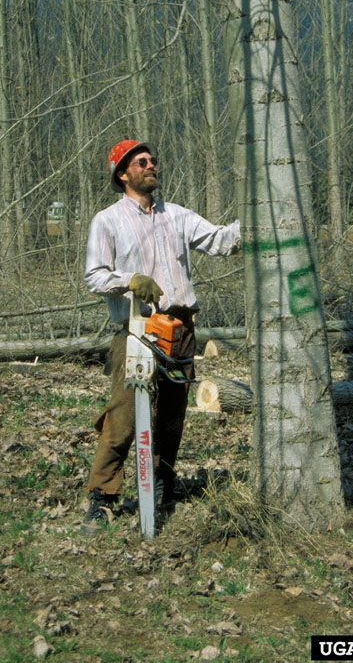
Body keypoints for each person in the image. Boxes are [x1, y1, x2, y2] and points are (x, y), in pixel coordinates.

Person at [82, 139, 240, 533]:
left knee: (172, 416)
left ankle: (162, 483)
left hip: (180, 329)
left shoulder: (178, 216)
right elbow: (94, 276)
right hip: (136, 329)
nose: (152, 165)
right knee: (123, 417)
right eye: (142, 162)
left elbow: (221, 241)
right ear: (123, 174)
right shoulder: (108, 221)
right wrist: (129, 280)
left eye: (153, 160)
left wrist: (256, 219)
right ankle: (103, 498)